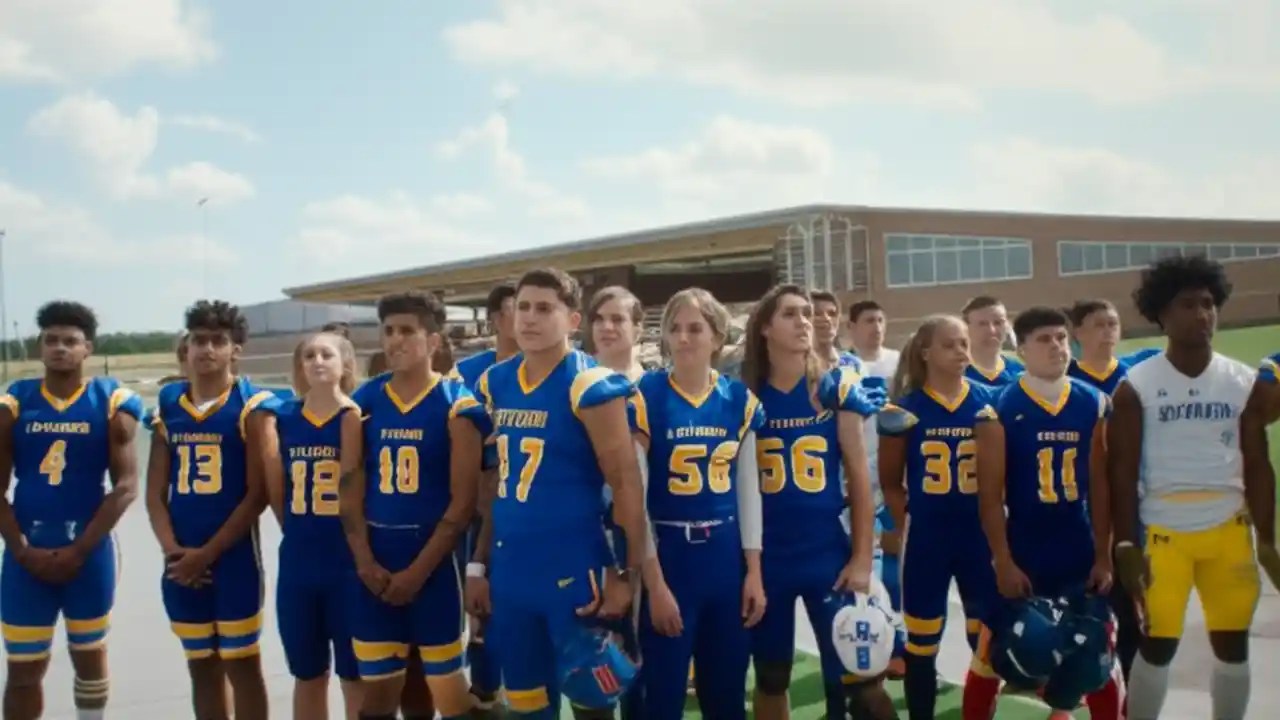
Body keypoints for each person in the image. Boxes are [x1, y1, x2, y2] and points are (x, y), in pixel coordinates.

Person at [468, 267, 648, 719]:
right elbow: (497, 486)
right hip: (512, 573)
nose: (528, 318)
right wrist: (478, 563)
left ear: (572, 320)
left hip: (575, 570)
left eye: (544, 308)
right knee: (527, 707)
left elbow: (626, 484)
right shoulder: (496, 382)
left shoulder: (590, 384)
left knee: (591, 704)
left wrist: (626, 575)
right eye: (523, 307)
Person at [1110, 255, 1264, 720]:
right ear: (1162, 313)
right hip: (1164, 533)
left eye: (1209, 303)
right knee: (1158, 645)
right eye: (1188, 304)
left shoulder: (1242, 380)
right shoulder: (1136, 386)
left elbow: (1257, 461)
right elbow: (1121, 470)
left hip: (1229, 530)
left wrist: (1269, 536)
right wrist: (1124, 541)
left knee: (1233, 643)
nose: (1203, 314)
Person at [739, 284, 891, 720]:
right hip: (768, 558)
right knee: (771, 676)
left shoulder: (834, 386)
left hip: (826, 551)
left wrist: (862, 557)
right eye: (790, 314)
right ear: (765, 327)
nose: (805, 321)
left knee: (861, 678)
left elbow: (860, 479)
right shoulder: (743, 393)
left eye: (807, 313)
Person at [337, 291, 486, 720]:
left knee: (450, 695)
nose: (395, 340)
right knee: (377, 699)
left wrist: (417, 572)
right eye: (388, 331)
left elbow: (463, 503)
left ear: (433, 341)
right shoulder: (364, 403)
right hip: (376, 562)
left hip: (435, 565)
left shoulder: (458, 405)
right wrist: (364, 561)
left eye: (407, 331)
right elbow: (349, 487)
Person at [972, 306, 1122, 720]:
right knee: (998, 650)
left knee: (1095, 655)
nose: (1057, 346)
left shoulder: (1093, 403)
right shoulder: (999, 408)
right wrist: (1002, 560)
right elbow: (989, 496)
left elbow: (1101, 486)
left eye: (1061, 338)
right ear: (1020, 349)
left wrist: (1104, 554)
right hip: (1026, 548)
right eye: (1044, 339)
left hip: (1078, 544)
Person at [0, 301, 142, 720]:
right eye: (51, 340)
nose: (59, 348)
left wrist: (79, 550)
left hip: (89, 553)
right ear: (38, 348)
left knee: (89, 657)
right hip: (26, 555)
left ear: (87, 349)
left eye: (70, 341)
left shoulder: (110, 400)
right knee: (23, 669)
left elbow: (126, 486)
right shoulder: (15, 402)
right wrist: (22, 549)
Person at [629, 288, 766, 719]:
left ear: (717, 337)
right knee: (662, 695)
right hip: (670, 552)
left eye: (695, 328)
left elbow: (748, 491)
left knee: (725, 694)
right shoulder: (645, 394)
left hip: (724, 556)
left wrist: (754, 572)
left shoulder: (738, 400)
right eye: (674, 329)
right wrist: (655, 585)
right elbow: (635, 500)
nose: (684, 338)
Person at [146, 300, 280, 720]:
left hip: (233, 558)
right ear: (186, 348)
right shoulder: (170, 402)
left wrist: (206, 554)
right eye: (198, 341)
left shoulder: (251, 404)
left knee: (242, 665)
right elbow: (155, 493)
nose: (206, 350)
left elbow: (257, 495)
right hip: (179, 557)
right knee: (201, 667)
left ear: (235, 350)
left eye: (217, 341)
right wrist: (173, 551)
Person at [876, 315, 999, 720]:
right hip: (928, 537)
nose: (962, 351)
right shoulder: (904, 409)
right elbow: (890, 481)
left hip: (978, 536)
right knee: (922, 644)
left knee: (984, 639)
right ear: (925, 352)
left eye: (964, 343)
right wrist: (907, 519)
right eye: (950, 344)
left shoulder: (989, 402)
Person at [268, 331, 364, 719]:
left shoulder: (352, 416)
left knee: (354, 675)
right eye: (309, 355)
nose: (318, 361)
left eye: (327, 354)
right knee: (307, 674)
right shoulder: (283, 417)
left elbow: (353, 491)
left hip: (344, 561)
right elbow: (277, 495)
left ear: (345, 364)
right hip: (298, 561)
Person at [448, 282, 518, 716]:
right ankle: (485, 686)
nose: (528, 319)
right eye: (517, 309)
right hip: (480, 506)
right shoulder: (467, 375)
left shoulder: (553, 370)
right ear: (495, 319)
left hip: (531, 505)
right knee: (481, 602)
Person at [847, 300, 905, 675]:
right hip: (855, 479)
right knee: (866, 567)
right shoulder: (843, 365)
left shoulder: (899, 363)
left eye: (882, 319)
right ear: (851, 326)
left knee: (896, 565)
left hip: (892, 475)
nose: (877, 326)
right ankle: (866, 644)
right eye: (869, 320)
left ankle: (899, 645)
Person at [586, 285, 648, 380]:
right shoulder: (574, 379)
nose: (606, 327)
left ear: (637, 329)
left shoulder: (654, 384)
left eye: (617, 319)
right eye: (599, 319)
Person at [962, 296, 1024, 387]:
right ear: (965, 328)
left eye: (998, 323)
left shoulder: (1019, 372)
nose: (992, 330)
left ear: (1007, 326)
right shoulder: (952, 373)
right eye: (982, 324)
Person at [811, 290, 861, 369]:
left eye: (832, 314)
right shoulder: (794, 365)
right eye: (817, 313)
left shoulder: (851, 364)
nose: (827, 318)